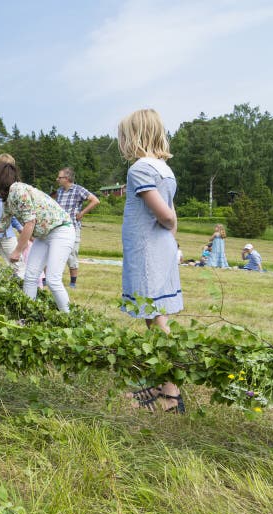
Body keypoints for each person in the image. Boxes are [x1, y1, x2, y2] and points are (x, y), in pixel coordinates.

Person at [117, 109, 184, 414]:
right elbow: (173, 214)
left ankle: (171, 393)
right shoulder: (164, 168)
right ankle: (161, 383)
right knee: (154, 317)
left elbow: (166, 214)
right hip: (160, 248)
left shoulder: (140, 169)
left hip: (147, 251)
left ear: (134, 136)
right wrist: (172, 235)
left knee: (156, 320)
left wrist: (168, 225)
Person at [0, 162, 75, 312]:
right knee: (30, 276)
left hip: (61, 231)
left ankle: (68, 316)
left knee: (52, 280)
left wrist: (17, 250)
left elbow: (30, 222)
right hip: (44, 235)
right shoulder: (8, 198)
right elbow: (2, 225)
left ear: (0, 179)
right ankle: (27, 316)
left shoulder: (17, 190)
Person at [55, 167, 100, 287]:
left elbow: (95, 200)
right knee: (56, 253)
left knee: (72, 254)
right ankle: (50, 279)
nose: (57, 179)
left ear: (67, 178)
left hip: (73, 227)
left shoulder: (78, 189)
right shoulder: (59, 191)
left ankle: (72, 283)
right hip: (58, 228)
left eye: (60, 177)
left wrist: (82, 213)